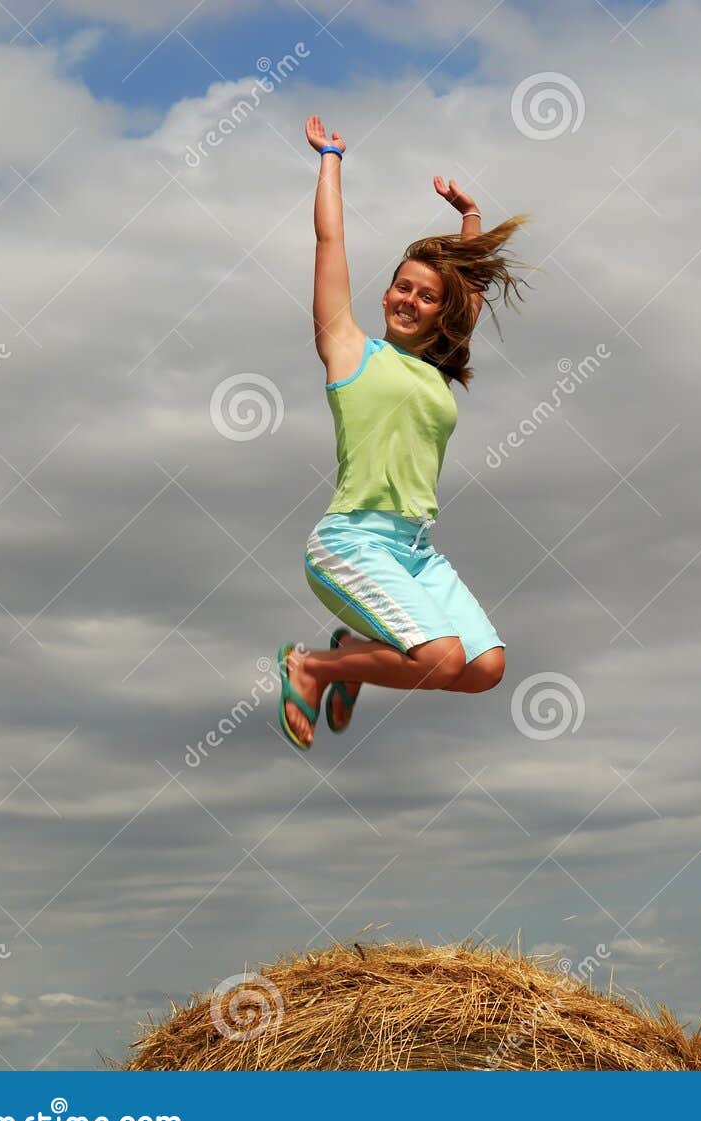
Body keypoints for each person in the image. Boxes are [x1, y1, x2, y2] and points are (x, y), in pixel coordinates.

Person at [278, 115, 531, 751]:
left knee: (484, 670)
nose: (409, 300)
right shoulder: (348, 351)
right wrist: (331, 158)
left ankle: (353, 657)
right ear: (386, 292)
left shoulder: (436, 371)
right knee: (442, 657)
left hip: (416, 552)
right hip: (351, 541)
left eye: (425, 295)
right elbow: (328, 243)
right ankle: (313, 666)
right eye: (402, 287)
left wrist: (470, 219)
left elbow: (467, 289)